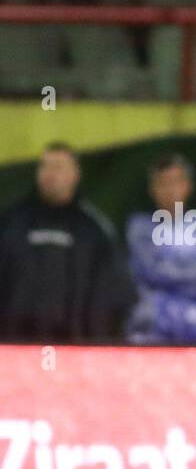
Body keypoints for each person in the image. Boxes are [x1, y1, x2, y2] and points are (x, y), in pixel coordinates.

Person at [0, 142, 132, 341]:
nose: (50, 174)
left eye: (59, 167)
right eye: (45, 166)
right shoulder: (11, 222)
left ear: (75, 174)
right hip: (13, 347)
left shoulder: (94, 231)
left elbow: (112, 296)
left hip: (75, 350)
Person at [124, 153, 196, 344]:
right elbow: (155, 272)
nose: (170, 190)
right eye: (163, 183)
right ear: (153, 189)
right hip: (156, 325)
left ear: (188, 186)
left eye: (176, 182)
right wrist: (195, 266)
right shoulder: (140, 228)